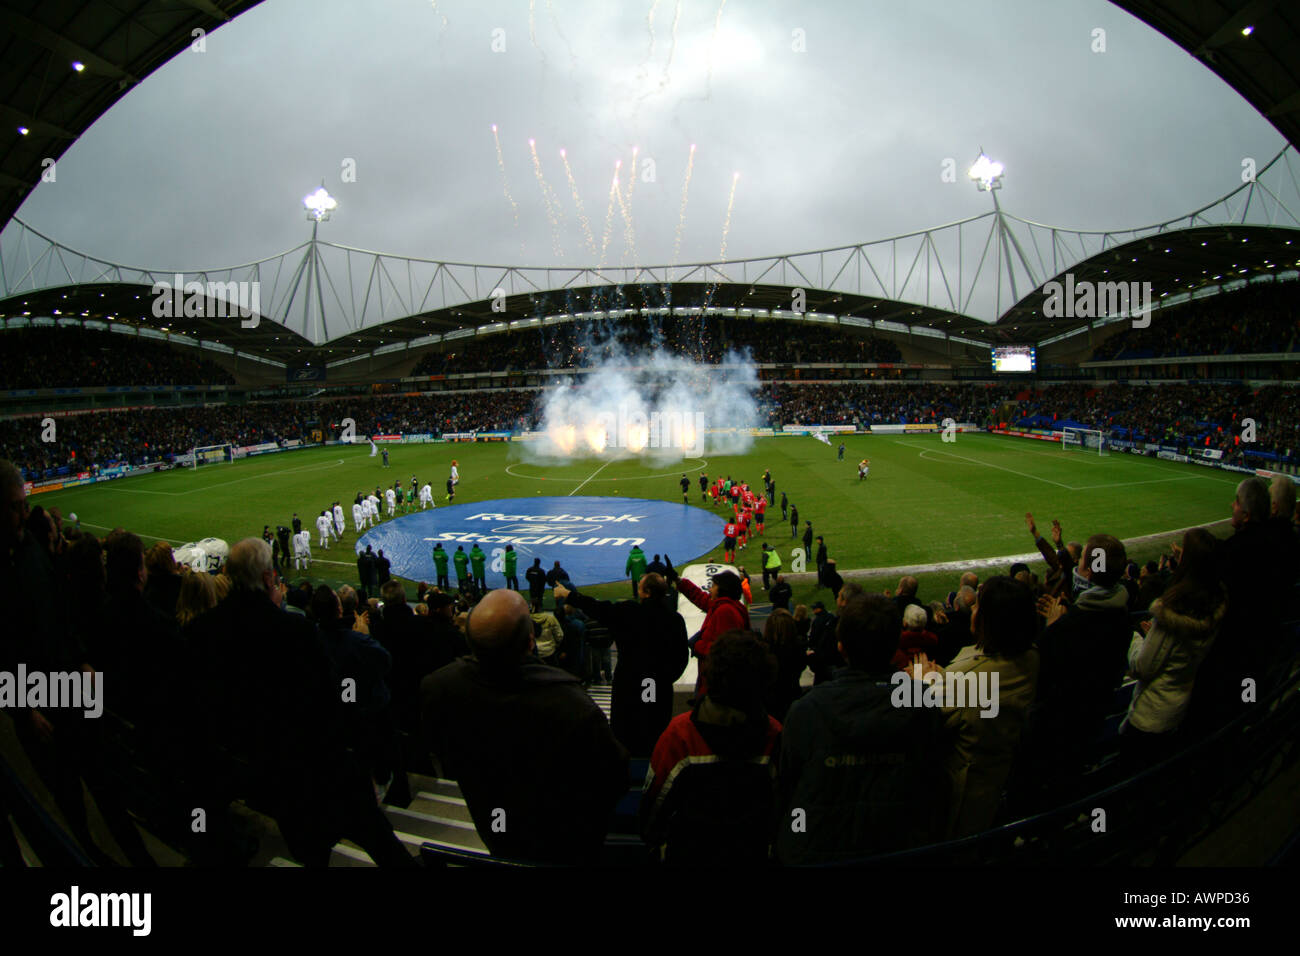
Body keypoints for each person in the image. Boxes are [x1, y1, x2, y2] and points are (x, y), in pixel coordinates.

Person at [188, 538, 414, 867]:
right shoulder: (295, 630)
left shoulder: (201, 631)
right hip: (323, 765)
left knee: (309, 850)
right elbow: (333, 697)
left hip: (268, 773)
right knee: (380, 841)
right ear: (268, 578)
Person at [420, 589, 628, 864]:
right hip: (565, 838)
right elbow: (615, 778)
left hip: (495, 825)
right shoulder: (572, 705)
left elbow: (438, 747)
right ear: (531, 641)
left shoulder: (437, 689)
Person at [777, 594, 943, 863]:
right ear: (894, 647)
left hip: (818, 849)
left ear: (841, 648)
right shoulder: (923, 704)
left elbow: (788, 788)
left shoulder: (806, 710)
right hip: (902, 848)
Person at [641, 630, 782, 865]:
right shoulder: (775, 735)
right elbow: (788, 809)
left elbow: (651, 810)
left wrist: (659, 845)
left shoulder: (680, 734)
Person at [1122, 527, 1226, 769]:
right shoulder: (1213, 605)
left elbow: (1142, 667)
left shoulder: (1172, 613)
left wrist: (1136, 638)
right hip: (1178, 708)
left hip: (1150, 717)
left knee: (1132, 775)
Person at [556, 574, 689, 756]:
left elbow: (598, 607)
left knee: (627, 734)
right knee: (655, 733)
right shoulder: (675, 620)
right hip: (655, 687)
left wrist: (569, 595)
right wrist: (661, 678)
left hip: (630, 687)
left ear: (646, 593)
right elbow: (681, 658)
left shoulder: (629, 612)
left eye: (640, 586)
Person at [670, 567, 749, 697]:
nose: (710, 589)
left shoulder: (725, 612)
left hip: (716, 685)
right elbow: (700, 598)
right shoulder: (723, 606)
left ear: (722, 589)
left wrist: (697, 645)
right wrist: (679, 581)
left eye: (713, 586)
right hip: (713, 680)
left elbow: (726, 651)